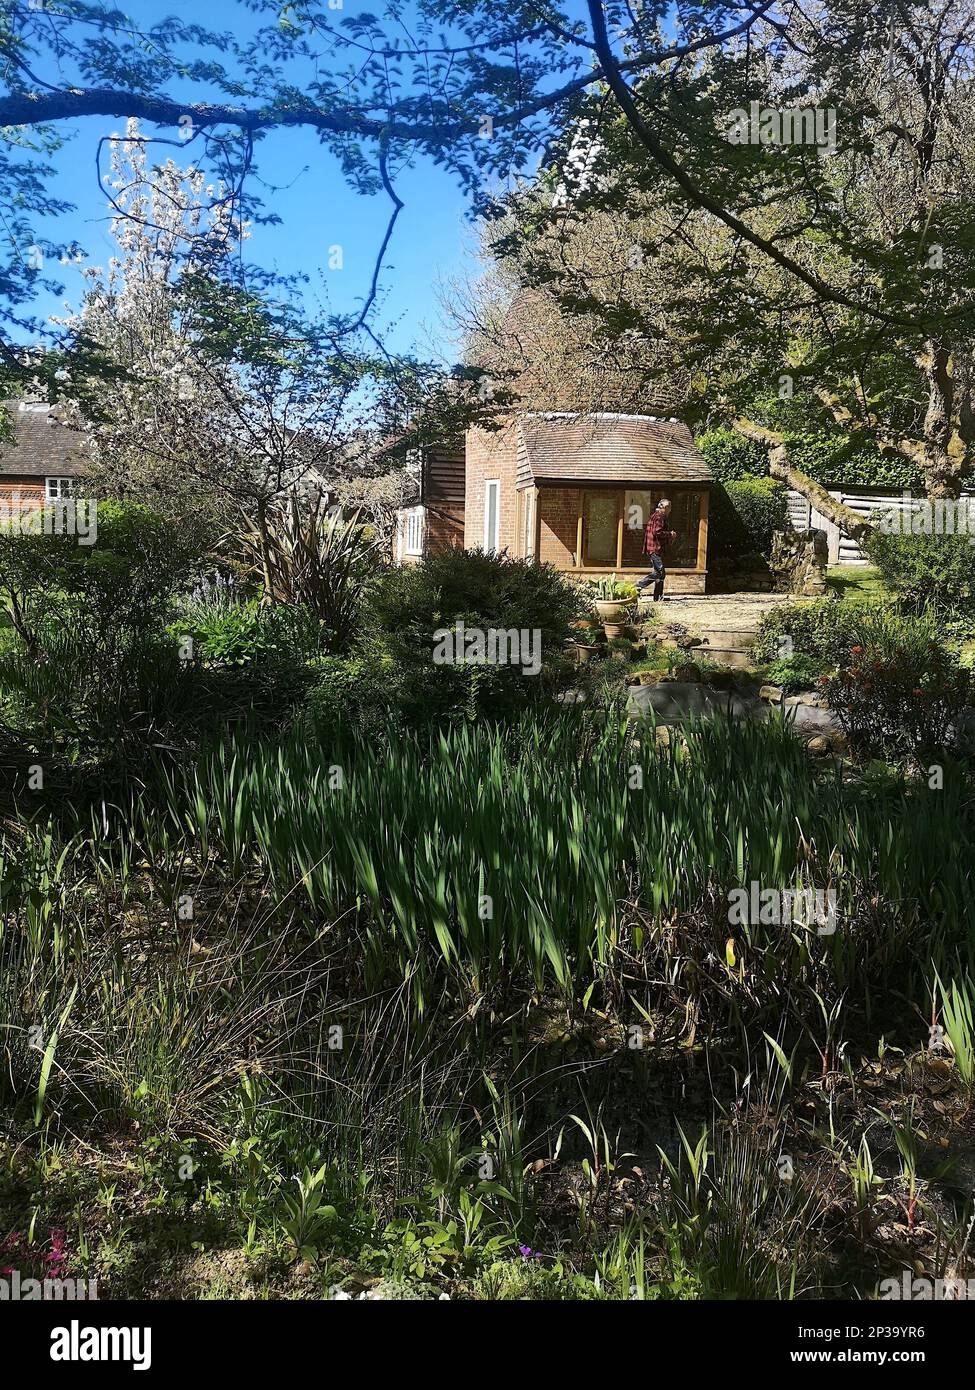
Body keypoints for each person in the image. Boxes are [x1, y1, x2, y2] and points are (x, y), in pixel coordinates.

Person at [638, 498, 676, 601]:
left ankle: (658, 597)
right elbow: (657, 532)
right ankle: (638, 586)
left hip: (653, 548)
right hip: (655, 548)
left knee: (659, 572)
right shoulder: (659, 517)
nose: (670, 511)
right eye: (669, 508)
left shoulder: (655, 515)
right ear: (665, 508)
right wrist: (670, 534)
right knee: (660, 572)